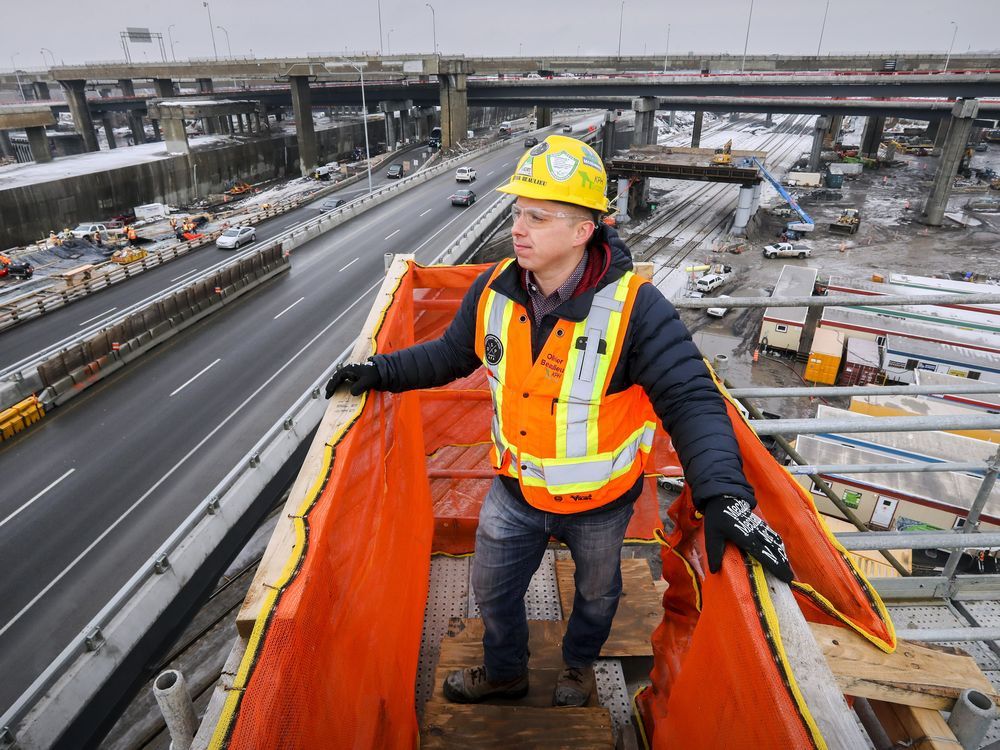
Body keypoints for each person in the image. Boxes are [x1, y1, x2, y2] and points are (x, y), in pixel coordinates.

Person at [325, 135, 792, 708]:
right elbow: (449, 354)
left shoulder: (635, 309)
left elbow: (691, 397)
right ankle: (505, 673)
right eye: (519, 212)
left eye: (538, 217)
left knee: (597, 597)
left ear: (583, 230)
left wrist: (725, 495)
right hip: (516, 490)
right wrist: (379, 370)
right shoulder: (495, 288)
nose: (518, 227)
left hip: (601, 503)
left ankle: (577, 668)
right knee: (492, 592)